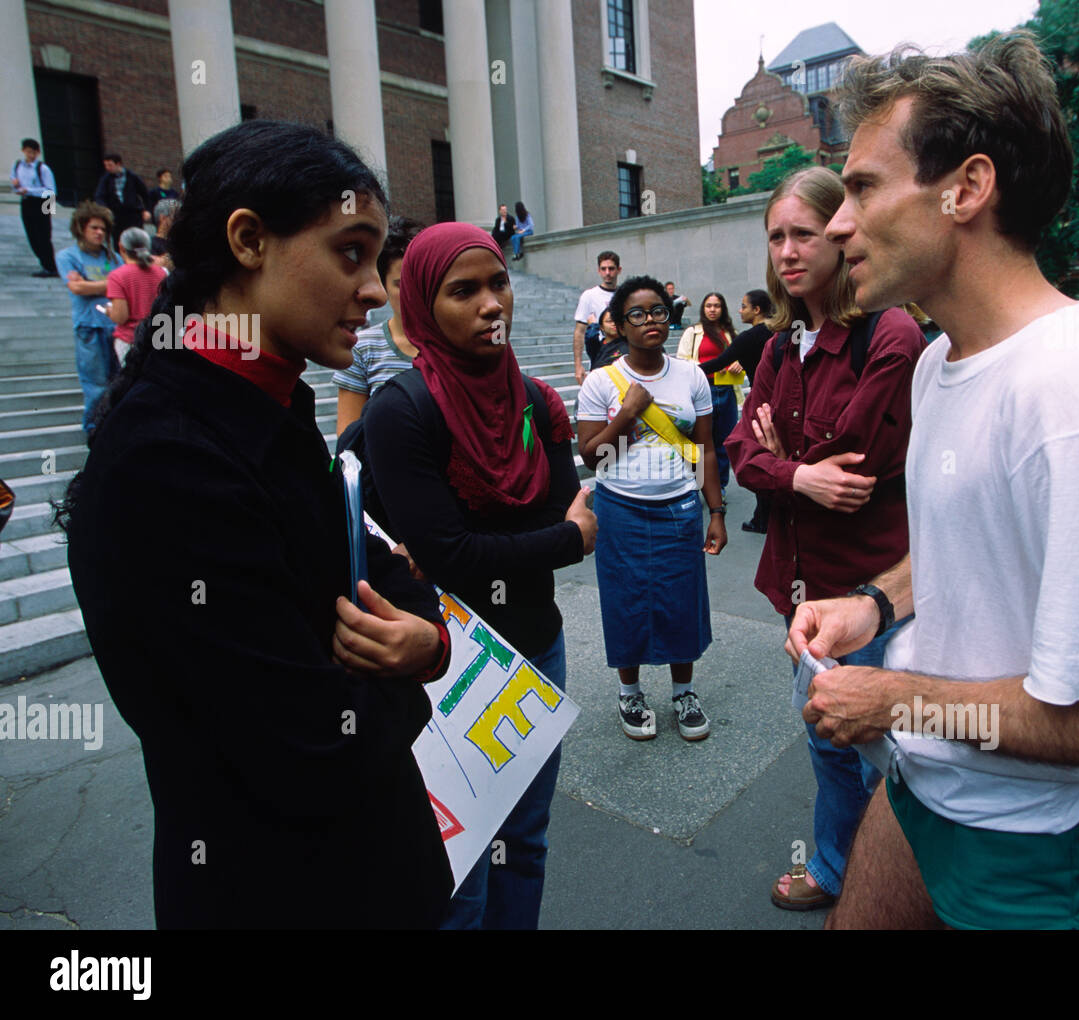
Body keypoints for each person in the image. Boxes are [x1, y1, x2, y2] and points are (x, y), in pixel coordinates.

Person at [790, 34, 1079, 930]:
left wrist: (898, 699)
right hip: (925, 787)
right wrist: (877, 603)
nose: (835, 224)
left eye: (862, 187)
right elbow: (970, 544)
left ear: (966, 189)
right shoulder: (939, 361)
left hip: (1038, 850)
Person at [57, 119, 456, 928]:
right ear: (248, 240)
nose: (377, 289)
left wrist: (428, 638)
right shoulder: (165, 462)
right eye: (351, 251)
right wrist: (413, 675)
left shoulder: (267, 401)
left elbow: (377, 572)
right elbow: (316, 749)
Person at [363, 222, 597, 930]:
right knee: (457, 868)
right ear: (422, 307)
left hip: (536, 652)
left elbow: (549, 516)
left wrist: (548, 536)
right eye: (463, 291)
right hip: (447, 664)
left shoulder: (539, 400)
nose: (491, 304)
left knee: (524, 841)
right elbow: (458, 556)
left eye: (498, 284)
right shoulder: (400, 410)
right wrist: (562, 539)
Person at [725, 166, 924, 912]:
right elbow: (742, 449)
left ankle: (894, 893)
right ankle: (841, 870)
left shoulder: (891, 332)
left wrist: (779, 457)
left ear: (841, 237)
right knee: (827, 739)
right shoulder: (779, 347)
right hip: (799, 581)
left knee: (885, 752)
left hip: (873, 583)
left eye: (803, 233)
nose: (787, 250)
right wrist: (795, 473)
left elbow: (859, 466)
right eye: (775, 235)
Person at [577, 275, 726, 742]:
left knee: (682, 600)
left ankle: (684, 691)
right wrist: (628, 413)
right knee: (626, 601)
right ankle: (631, 693)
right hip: (619, 509)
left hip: (679, 509)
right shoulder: (602, 382)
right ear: (620, 326)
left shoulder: (691, 375)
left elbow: (704, 446)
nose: (650, 321)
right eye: (637, 315)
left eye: (658, 311)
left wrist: (716, 511)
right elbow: (592, 457)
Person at [334, 216, 424, 433]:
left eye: (422, 282)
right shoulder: (363, 348)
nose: (414, 295)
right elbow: (348, 437)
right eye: (401, 285)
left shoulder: (456, 342)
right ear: (383, 285)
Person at [700, 289, 774, 533]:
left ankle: (763, 518)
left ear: (757, 310)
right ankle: (766, 515)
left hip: (761, 402)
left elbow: (717, 363)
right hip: (782, 401)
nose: (740, 310)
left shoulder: (749, 337)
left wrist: (681, 371)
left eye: (744, 306)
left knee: (759, 459)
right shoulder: (780, 333)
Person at [55, 200, 123, 434]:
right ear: (81, 227)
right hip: (89, 327)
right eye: (94, 227)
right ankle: (93, 427)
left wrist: (90, 284)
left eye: (103, 229)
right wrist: (111, 284)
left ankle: (112, 424)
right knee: (95, 383)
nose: (99, 232)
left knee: (118, 380)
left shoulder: (113, 257)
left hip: (115, 326)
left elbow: (123, 284)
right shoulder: (68, 256)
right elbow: (77, 288)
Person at [677, 291, 741, 491]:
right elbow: (682, 360)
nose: (712, 310)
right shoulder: (693, 332)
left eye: (717, 306)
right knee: (700, 440)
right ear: (703, 309)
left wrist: (738, 362)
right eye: (708, 306)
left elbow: (740, 355)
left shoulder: (730, 333)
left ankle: (719, 486)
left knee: (724, 442)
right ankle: (696, 482)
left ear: (723, 309)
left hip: (727, 390)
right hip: (702, 391)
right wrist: (712, 366)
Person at [105, 226, 167, 366]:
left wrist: (109, 311)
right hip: (157, 338)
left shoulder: (117, 276)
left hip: (129, 340)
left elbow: (121, 316)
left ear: (121, 247)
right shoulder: (161, 273)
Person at [10, 138, 58, 276]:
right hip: (26, 200)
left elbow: (51, 191)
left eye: (33, 152)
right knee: (31, 234)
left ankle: (50, 266)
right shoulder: (17, 165)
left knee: (44, 234)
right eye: (27, 152)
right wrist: (17, 187)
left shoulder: (43, 168)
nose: (30, 155)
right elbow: (15, 183)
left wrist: (29, 190)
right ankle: (44, 263)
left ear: (37, 153)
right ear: (23, 151)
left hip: (44, 200)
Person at [572, 250, 621, 381]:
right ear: (598, 271)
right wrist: (578, 365)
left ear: (619, 270)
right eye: (603, 269)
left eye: (611, 268)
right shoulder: (589, 296)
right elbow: (579, 332)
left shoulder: (625, 295)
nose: (607, 273)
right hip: (600, 355)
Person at [94, 153, 151, 246]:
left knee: (137, 240)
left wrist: (147, 210)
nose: (107, 168)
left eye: (110, 165)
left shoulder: (132, 177)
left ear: (118, 164)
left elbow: (145, 194)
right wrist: (104, 208)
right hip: (116, 215)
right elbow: (99, 196)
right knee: (118, 241)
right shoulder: (106, 179)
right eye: (106, 165)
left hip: (133, 214)